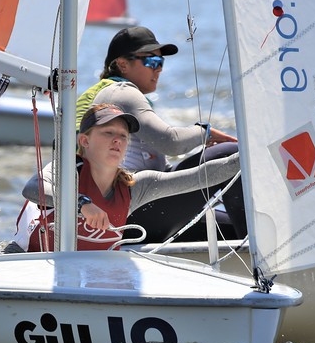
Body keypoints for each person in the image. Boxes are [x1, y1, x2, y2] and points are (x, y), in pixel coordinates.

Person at [76, 26, 246, 243]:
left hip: (118, 213)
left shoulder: (101, 92)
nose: (158, 69)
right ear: (122, 64)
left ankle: (249, 248)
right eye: (151, 62)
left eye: (161, 63)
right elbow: (171, 142)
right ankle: (261, 263)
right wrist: (205, 132)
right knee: (230, 154)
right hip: (131, 210)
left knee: (229, 230)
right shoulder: (123, 92)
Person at [5, 103, 240, 252]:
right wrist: (81, 204)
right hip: (28, 265)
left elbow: (203, 176)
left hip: (88, 277)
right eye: (108, 133)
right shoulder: (66, 171)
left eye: (123, 136)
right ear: (84, 141)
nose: (117, 140)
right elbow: (32, 189)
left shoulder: (136, 187)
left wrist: (254, 153)